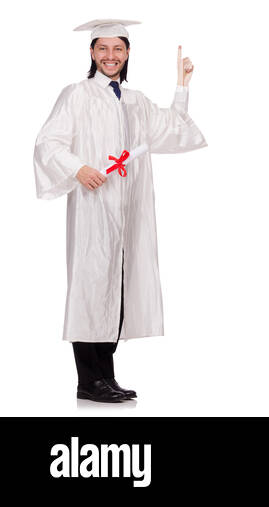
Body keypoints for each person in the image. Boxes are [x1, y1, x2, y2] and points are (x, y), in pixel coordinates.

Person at [34, 19, 206, 403]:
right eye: (103, 49)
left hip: (129, 211)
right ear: (92, 53)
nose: (110, 56)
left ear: (127, 54)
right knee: (90, 288)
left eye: (118, 49)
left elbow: (173, 130)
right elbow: (48, 143)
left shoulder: (135, 101)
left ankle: (105, 376)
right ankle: (87, 380)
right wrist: (79, 168)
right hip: (94, 208)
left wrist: (182, 85)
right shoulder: (77, 95)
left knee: (120, 289)